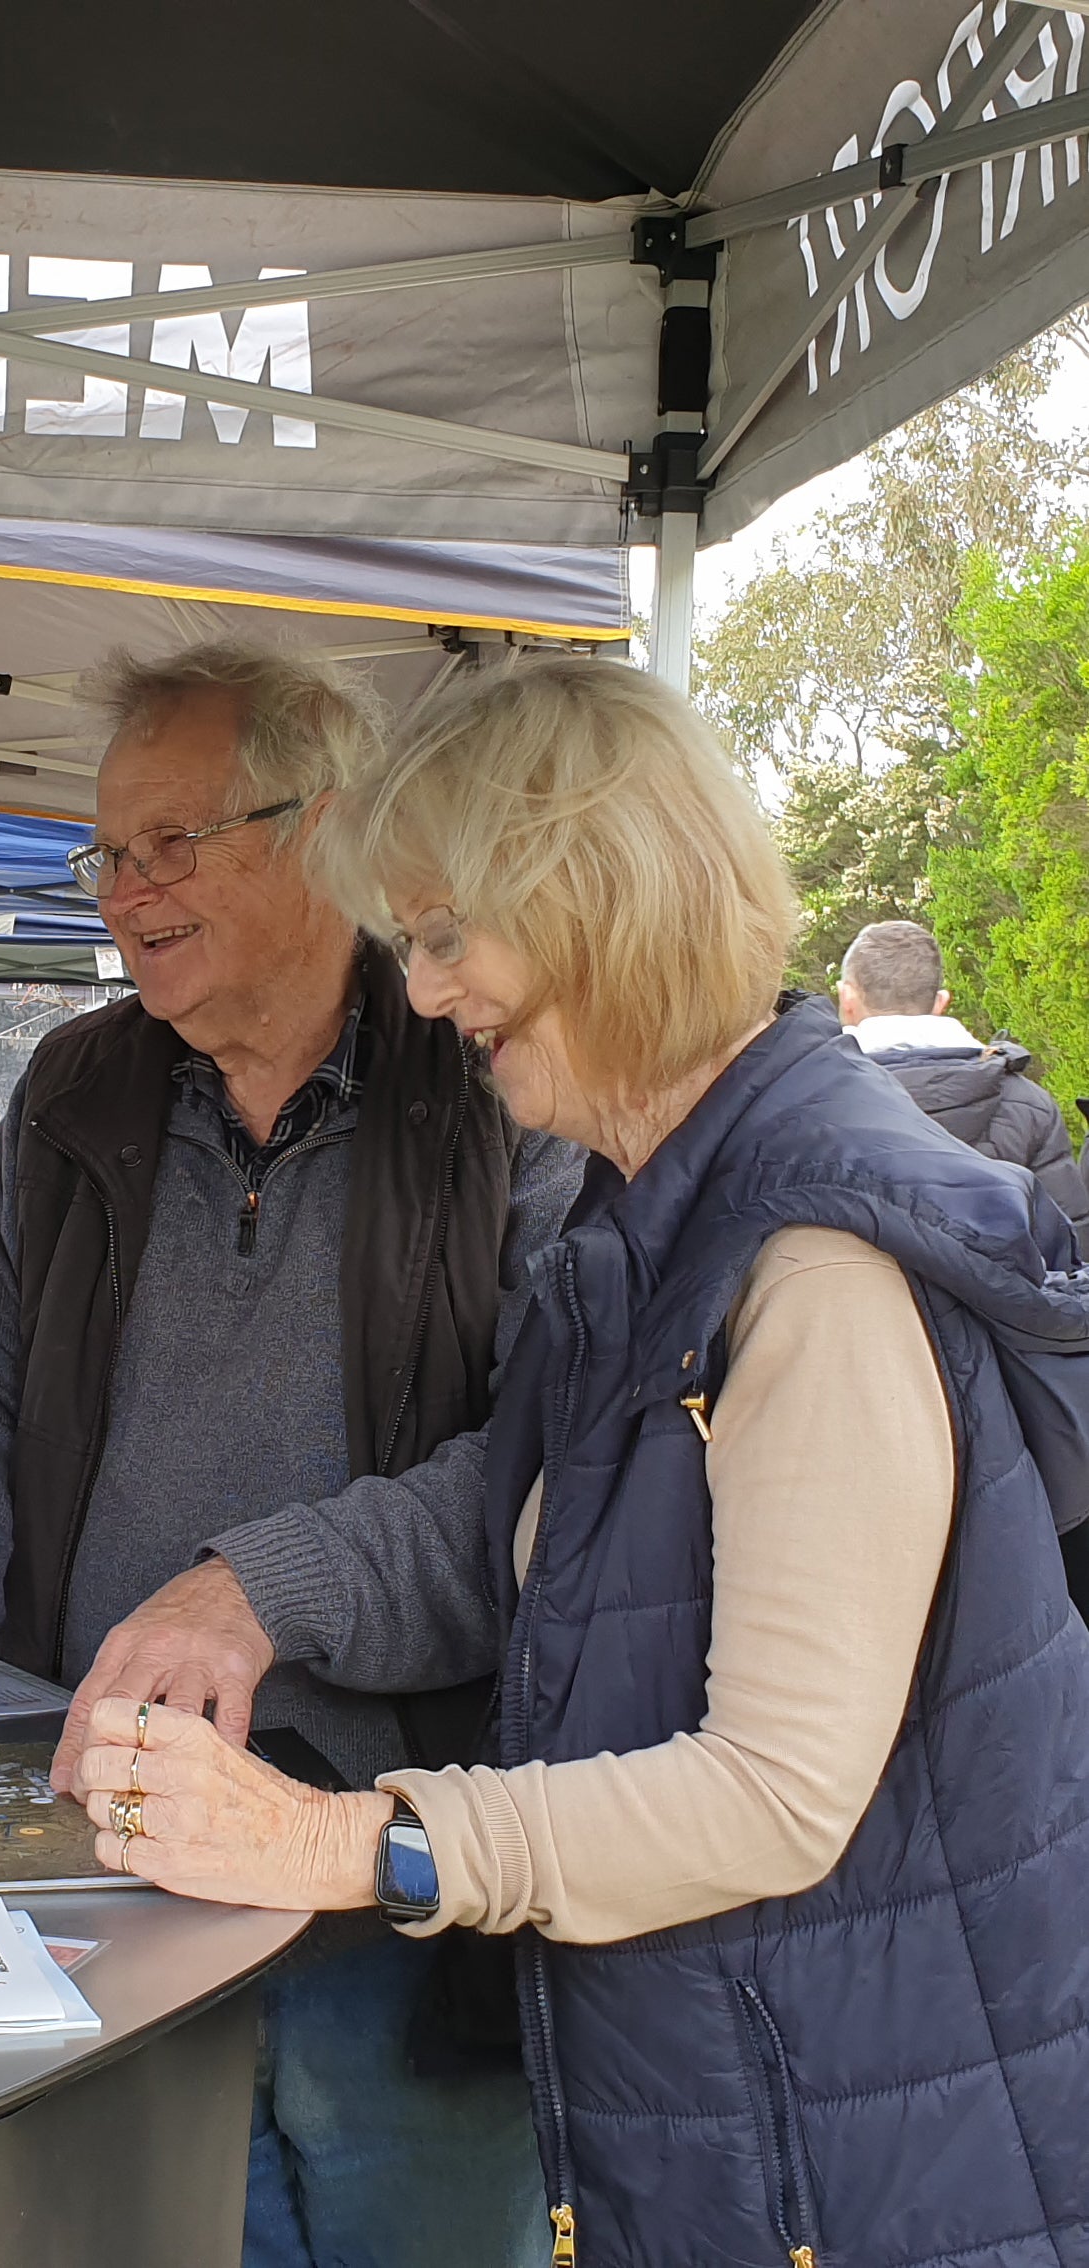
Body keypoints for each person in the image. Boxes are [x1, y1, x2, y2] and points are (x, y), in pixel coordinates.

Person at [75, 655, 1089, 2268]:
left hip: (859, 2158)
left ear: (596, 904)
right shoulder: (654, 1220)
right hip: (747, 2114)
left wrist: (347, 1840)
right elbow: (538, 1551)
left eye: (445, 934)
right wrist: (265, 1592)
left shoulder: (810, 1263)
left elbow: (773, 1795)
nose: (421, 992)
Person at [0, 639, 583, 2268]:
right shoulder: (78, 1086)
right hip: (109, 1862)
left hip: (394, 1876)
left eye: (171, 844)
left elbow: (555, 1471)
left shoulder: (496, 1077)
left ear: (324, 830)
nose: (125, 894)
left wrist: (262, 1588)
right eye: (107, 853)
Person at [837, 916, 1089, 1238]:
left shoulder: (811, 1102)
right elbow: (1069, 1238)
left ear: (847, 998)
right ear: (941, 1002)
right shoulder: (1029, 1105)